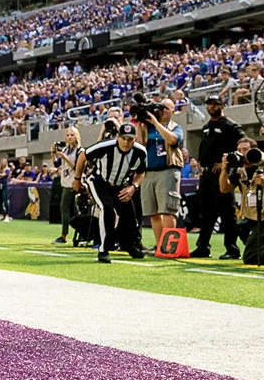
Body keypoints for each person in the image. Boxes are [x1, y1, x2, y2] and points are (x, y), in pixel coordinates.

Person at [73, 122, 147, 264]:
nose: (126, 142)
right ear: (117, 137)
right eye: (123, 138)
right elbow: (83, 156)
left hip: (120, 184)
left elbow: (141, 172)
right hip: (98, 181)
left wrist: (133, 186)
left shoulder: (140, 152)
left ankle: (128, 245)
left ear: (135, 139)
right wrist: (77, 179)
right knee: (106, 207)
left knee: (129, 214)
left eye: (130, 139)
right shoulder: (105, 146)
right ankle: (104, 249)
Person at [192, 94, 242, 259]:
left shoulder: (230, 126)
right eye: (209, 104)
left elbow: (243, 146)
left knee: (227, 212)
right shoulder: (206, 127)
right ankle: (203, 247)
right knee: (206, 213)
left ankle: (232, 249)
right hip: (206, 174)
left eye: (215, 104)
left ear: (222, 106)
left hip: (221, 174)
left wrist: (226, 163)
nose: (212, 107)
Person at [219, 139, 264, 266]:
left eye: (245, 150)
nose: (241, 153)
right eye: (239, 150)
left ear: (254, 151)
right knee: (239, 227)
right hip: (251, 214)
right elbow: (224, 188)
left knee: (251, 258)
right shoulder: (239, 169)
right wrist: (224, 169)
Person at [137, 98, 183, 250]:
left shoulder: (176, 127)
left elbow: (172, 140)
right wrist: (140, 122)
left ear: (173, 110)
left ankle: (168, 247)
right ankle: (159, 245)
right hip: (148, 172)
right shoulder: (147, 127)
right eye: (160, 107)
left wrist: (156, 123)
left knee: (167, 211)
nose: (162, 111)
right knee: (153, 213)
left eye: (166, 108)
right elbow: (138, 145)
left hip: (167, 170)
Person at [51, 127, 82, 245]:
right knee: (74, 210)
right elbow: (57, 164)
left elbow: (77, 167)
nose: (69, 137)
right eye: (68, 135)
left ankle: (64, 235)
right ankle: (82, 232)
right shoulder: (65, 149)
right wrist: (53, 154)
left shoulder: (79, 151)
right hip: (65, 181)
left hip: (73, 182)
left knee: (64, 207)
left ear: (76, 136)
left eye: (72, 135)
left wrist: (65, 158)